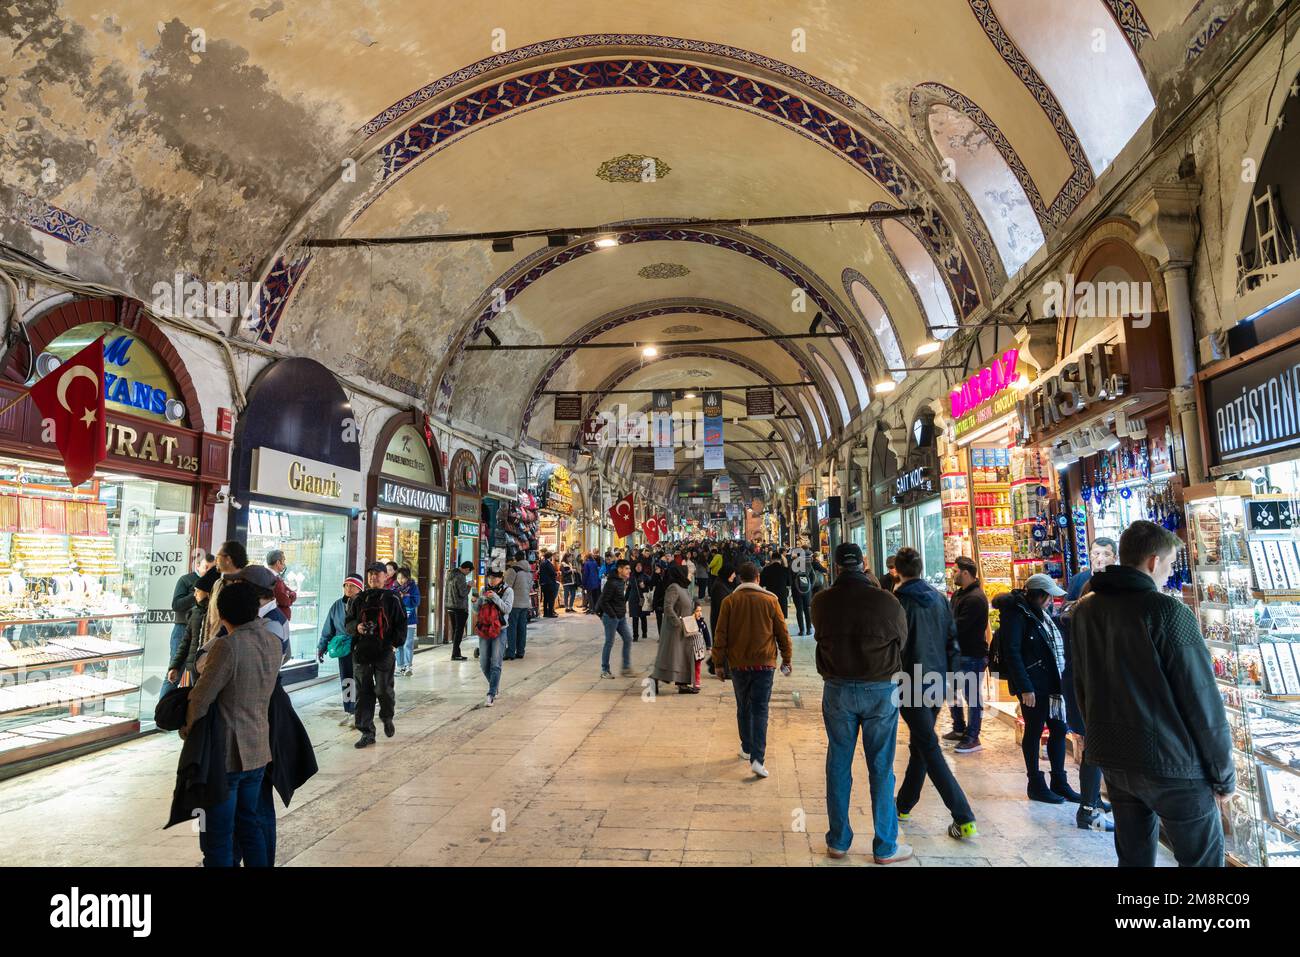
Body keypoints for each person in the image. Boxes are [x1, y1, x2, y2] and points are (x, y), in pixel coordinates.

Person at [1072, 520, 1233, 866]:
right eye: (1170, 563)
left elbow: (1082, 685)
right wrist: (1223, 774)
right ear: (1151, 562)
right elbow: (1201, 698)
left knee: (1133, 860)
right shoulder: (1167, 611)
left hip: (1115, 759)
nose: (1169, 571)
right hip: (1172, 764)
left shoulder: (1086, 609)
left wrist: (1099, 738)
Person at [813, 542, 910, 863]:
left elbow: (820, 637)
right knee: (882, 767)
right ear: (864, 563)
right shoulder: (887, 601)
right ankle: (885, 846)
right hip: (880, 690)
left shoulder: (822, 602)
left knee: (838, 763)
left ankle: (838, 841)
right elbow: (902, 641)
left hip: (838, 689)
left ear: (836, 565)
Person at [180, 580, 282, 867]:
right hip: (259, 749)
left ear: (223, 616)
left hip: (227, 755)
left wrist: (187, 729)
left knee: (219, 836)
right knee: (250, 825)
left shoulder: (228, 647)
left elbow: (201, 698)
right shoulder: (273, 643)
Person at [892, 547, 978, 841]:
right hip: (937, 682)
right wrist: (953, 682)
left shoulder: (898, 602)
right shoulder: (940, 599)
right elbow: (952, 641)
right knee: (921, 743)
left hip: (910, 683)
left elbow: (895, 646)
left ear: (897, 571)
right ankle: (903, 805)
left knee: (928, 745)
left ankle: (963, 816)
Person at [995, 572, 1079, 804]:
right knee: (1033, 730)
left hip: (1051, 683)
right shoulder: (1016, 614)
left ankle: (1059, 782)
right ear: (1038, 595)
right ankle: (1035, 783)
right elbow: (1012, 652)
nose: (1052, 601)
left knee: (1059, 729)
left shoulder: (1039, 613)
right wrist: (1025, 687)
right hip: (1033, 685)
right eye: (1049, 596)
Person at [712, 561, 792, 778]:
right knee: (760, 709)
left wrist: (718, 663)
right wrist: (787, 658)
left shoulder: (730, 601)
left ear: (740, 579)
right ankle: (758, 758)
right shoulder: (770, 600)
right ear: (758, 578)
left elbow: (721, 635)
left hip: (738, 664)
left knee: (743, 706)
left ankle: (747, 748)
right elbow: (782, 633)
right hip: (764, 664)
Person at [345, 562, 407, 748]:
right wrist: (357, 627)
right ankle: (367, 732)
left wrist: (394, 644)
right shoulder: (358, 599)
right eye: (370, 574)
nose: (373, 577)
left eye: (377, 574)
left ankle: (387, 717)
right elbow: (348, 624)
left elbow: (401, 624)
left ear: (385, 577)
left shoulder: (393, 598)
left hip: (384, 652)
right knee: (363, 693)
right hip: (362, 652)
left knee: (383, 690)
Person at [947, 556, 989, 754]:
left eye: (955, 571)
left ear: (965, 573)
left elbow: (959, 627)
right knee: (953, 692)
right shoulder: (959, 595)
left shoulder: (975, 599)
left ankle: (973, 736)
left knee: (972, 697)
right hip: (958, 654)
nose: (952, 574)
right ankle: (959, 727)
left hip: (971, 655)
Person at [161, 552, 213, 698]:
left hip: (201, 631)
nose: (208, 571)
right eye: (206, 567)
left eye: (212, 568)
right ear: (197, 566)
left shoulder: (214, 584)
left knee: (195, 672)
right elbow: (176, 605)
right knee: (174, 671)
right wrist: (197, 593)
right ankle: (164, 710)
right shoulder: (185, 580)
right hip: (183, 628)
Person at [316, 576, 364, 726]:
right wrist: (322, 647)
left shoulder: (365, 604)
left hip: (360, 647)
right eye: (346, 585)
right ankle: (349, 711)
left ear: (360, 588)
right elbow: (328, 628)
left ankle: (359, 712)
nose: (348, 588)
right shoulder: (337, 605)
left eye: (352, 586)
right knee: (346, 679)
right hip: (343, 649)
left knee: (359, 680)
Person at [166, 567, 220, 690]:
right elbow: (186, 641)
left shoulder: (217, 615)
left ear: (207, 593)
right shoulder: (195, 613)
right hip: (193, 667)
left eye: (197, 591)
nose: (194, 594)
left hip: (209, 667)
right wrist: (175, 666)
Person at [650, 564, 699, 694]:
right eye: (689, 573)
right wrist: (677, 623)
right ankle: (654, 678)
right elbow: (668, 607)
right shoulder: (674, 588)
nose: (691, 575)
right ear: (682, 574)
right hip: (675, 630)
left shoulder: (684, 588)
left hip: (685, 629)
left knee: (684, 656)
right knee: (671, 658)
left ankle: (682, 684)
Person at [474, 568, 513, 707]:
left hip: (500, 630)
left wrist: (495, 598)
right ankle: (494, 685)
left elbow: (507, 609)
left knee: (496, 663)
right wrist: (478, 600)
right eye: (490, 577)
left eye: (495, 578)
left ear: (501, 578)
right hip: (484, 629)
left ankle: (491, 693)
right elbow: (476, 610)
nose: (492, 580)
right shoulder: (484, 589)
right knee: (484, 662)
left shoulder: (508, 591)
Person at [595, 559, 636, 679]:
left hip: (620, 616)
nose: (629, 571)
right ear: (620, 569)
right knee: (609, 642)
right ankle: (605, 670)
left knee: (628, 638)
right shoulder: (611, 583)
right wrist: (612, 615)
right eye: (627, 568)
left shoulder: (621, 581)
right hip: (611, 617)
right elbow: (604, 601)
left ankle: (626, 668)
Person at [503, 550, 533, 660]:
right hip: (525, 603)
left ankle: (510, 652)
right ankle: (520, 651)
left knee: (511, 628)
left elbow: (507, 587)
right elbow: (530, 587)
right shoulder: (529, 571)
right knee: (522, 628)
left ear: (515, 559)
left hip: (514, 604)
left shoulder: (513, 570)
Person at [394, 566, 421, 676]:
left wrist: (404, 597)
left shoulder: (413, 587)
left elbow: (416, 602)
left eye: (403, 578)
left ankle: (408, 666)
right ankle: (400, 667)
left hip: (410, 621)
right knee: (399, 644)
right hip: (397, 621)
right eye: (399, 578)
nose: (400, 580)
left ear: (408, 578)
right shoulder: (393, 588)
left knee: (408, 644)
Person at [445, 560, 474, 661]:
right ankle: (455, 654)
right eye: (469, 572)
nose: (468, 573)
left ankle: (456, 652)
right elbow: (463, 593)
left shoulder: (451, 574)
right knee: (459, 631)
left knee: (455, 630)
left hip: (450, 606)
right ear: (466, 569)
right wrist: (469, 585)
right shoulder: (461, 576)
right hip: (459, 607)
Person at [759, 550, 792, 624]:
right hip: (782, 595)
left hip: (770, 595)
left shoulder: (766, 569)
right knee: (781, 618)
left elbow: (761, 583)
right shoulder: (785, 570)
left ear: (771, 559)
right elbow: (789, 583)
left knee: (770, 617)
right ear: (780, 559)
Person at [266, 549, 297, 621]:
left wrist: (290, 594)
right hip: (277, 620)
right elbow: (285, 601)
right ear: (278, 562)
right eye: (283, 560)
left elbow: (291, 592)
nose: (284, 564)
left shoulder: (270, 576)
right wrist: (290, 597)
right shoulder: (275, 580)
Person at [628, 559, 652, 642]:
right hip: (633, 599)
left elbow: (651, 584)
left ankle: (644, 632)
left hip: (643, 598)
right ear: (634, 567)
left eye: (640, 566)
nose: (638, 567)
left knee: (643, 617)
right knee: (635, 617)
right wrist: (624, 599)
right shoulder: (631, 576)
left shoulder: (645, 576)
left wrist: (644, 586)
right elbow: (629, 588)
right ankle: (635, 635)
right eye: (637, 566)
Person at [791, 554, 813, 636]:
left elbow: (790, 578)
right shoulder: (808, 564)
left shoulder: (793, 565)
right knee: (807, 609)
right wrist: (810, 586)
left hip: (796, 590)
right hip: (807, 590)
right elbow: (813, 576)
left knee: (799, 610)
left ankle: (802, 630)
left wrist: (793, 587)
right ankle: (809, 629)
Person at [538, 550, 559, 618]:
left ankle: (545, 613)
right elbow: (552, 573)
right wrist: (557, 573)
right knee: (551, 598)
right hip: (549, 583)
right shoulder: (548, 563)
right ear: (550, 557)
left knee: (546, 598)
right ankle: (550, 612)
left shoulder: (542, 563)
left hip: (544, 583)